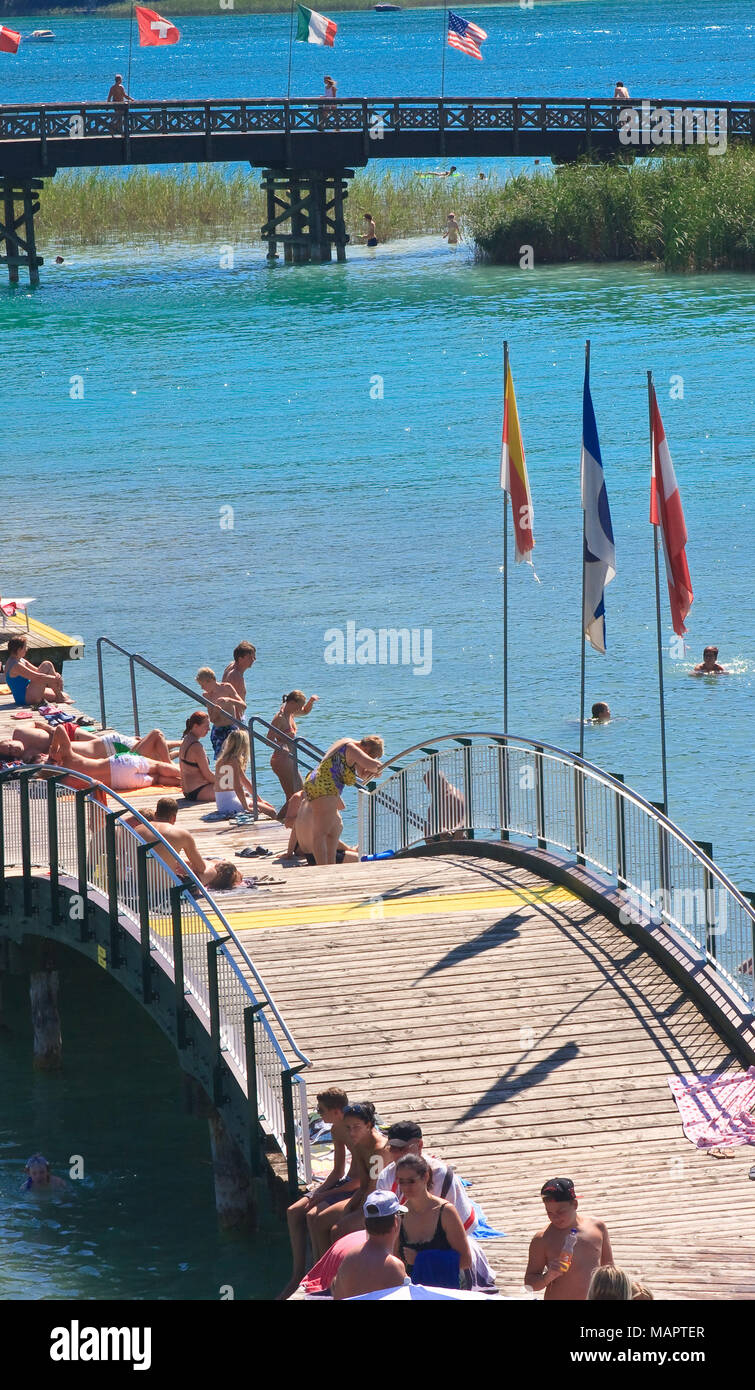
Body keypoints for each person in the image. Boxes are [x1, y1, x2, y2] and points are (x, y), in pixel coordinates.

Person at [376, 1121, 497, 1291]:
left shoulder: (443, 1179)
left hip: (449, 1258)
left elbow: (465, 1231)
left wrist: (422, 1258)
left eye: (402, 1148)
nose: (396, 1154)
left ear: (419, 1145)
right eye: (392, 1149)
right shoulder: (386, 1178)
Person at [278, 1085, 363, 1300]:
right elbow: (337, 1171)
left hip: (356, 1189)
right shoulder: (336, 1130)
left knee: (313, 1217)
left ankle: (320, 1274)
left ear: (336, 1111)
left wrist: (323, 1196)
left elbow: (362, 1180)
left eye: (322, 1110)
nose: (319, 1113)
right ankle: (297, 1274)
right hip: (343, 1183)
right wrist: (318, 1192)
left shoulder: (356, 1132)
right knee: (293, 1210)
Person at [308, 1101, 389, 1255]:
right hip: (365, 1196)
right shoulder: (358, 1144)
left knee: (338, 1230)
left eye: (356, 1127)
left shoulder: (380, 1151)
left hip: (380, 1204)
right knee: (319, 1221)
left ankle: (339, 1273)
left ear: (369, 1125)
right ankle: (321, 1271)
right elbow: (364, 1185)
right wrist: (350, 1206)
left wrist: (351, 1212)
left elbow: (373, 1191)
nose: (351, 1133)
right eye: (348, 1128)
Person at [524, 1177, 613, 1301]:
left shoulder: (597, 1228)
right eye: (549, 1213)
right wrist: (548, 1277)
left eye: (560, 1212)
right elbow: (529, 1284)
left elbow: (610, 1270)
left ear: (575, 1204)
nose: (555, 1217)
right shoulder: (542, 1239)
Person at [302, 736, 383, 865]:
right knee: (321, 832)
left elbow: (362, 773)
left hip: (322, 786)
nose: (369, 758)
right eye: (371, 755)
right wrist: (378, 768)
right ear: (366, 748)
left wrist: (373, 772)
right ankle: (322, 868)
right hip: (324, 788)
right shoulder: (351, 747)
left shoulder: (349, 748)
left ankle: (331, 864)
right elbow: (374, 765)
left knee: (336, 827)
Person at [395, 1154, 472, 1285]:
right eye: (401, 1182)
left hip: (443, 1290)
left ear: (425, 1177)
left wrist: (420, 1259)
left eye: (411, 1181)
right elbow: (395, 1260)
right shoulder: (399, 1215)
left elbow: (466, 1260)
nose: (406, 1187)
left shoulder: (446, 1212)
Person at [48, 726, 181, 792]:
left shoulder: (64, 781)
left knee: (157, 778)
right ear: (55, 760)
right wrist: (53, 749)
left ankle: (182, 783)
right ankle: (189, 775)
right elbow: (59, 729)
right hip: (118, 764)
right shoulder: (69, 758)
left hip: (119, 782)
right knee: (158, 767)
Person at [332, 1192, 408, 1300]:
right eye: (402, 1216)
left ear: (365, 1223)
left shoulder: (350, 1258)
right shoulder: (394, 1267)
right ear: (396, 1222)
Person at [10, 719, 177, 766]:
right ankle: (177, 751)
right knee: (151, 753)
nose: (47, 763)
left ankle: (179, 747)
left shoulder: (56, 752)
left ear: (42, 755)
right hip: (112, 751)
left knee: (155, 740)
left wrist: (53, 747)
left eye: (42, 760)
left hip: (111, 745)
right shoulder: (58, 760)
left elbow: (60, 728)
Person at [282, 788, 358, 866]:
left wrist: (289, 853)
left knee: (357, 851)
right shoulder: (319, 810)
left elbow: (295, 830)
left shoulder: (304, 803)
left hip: (309, 857)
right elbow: (328, 839)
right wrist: (349, 849)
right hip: (322, 857)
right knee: (363, 859)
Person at [269, 690, 318, 807]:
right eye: (298, 706)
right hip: (281, 760)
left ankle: (284, 821)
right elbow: (268, 738)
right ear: (291, 702)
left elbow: (305, 711)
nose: (299, 709)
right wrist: (280, 745)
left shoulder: (290, 713)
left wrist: (311, 701)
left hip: (290, 759)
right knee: (297, 795)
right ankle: (283, 821)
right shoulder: (279, 718)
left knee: (295, 796)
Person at [215, 728, 277, 819]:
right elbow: (238, 787)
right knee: (272, 811)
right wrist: (246, 807)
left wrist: (259, 800)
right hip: (229, 804)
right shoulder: (233, 761)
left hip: (223, 802)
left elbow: (245, 782)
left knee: (263, 805)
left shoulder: (221, 760)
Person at [2, 635, 72, 706]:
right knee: (46, 665)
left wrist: (56, 675)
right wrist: (56, 679)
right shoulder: (15, 665)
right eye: (25, 647)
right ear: (19, 649)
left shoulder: (20, 660)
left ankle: (60, 696)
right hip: (25, 698)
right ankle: (60, 697)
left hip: (30, 691)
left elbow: (37, 671)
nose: (27, 649)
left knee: (66, 695)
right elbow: (37, 677)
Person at [195, 666, 246, 759]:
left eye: (203, 685)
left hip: (231, 727)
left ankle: (236, 773)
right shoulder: (206, 696)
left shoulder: (226, 687)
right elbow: (213, 719)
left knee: (236, 758)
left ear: (210, 680)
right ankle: (222, 773)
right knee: (221, 759)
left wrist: (229, 700)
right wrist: (216, 711)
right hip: (218, 730)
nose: (202, 688)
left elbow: (243, 705)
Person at [178, 711, 216, 803]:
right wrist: (226, 780)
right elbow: (208, 775)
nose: (209, 729)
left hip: (188, 791)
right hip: (198, 791)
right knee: (237, 790)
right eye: (206, 726)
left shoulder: (186, 740)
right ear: (195, 726)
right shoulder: (196, 746)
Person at [423, 767, 466, 840]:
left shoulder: (455, 796)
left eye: (429, 785)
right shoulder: (439, 794)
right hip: (439, 836)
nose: (428, 789)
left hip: (455, 838)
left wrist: (452, 831)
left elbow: (464, 821)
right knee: (426, 826)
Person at [222, 641, 256, 705]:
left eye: (254, 657)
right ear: (240, 659)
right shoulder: (236, 676)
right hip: (234, 714)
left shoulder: (231, 666)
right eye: (250, 657)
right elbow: (229, 699)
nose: (254, 659)